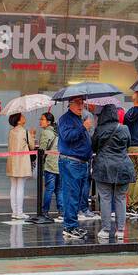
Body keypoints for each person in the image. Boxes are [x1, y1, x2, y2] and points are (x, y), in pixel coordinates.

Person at [92, 102, 134, 244]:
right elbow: (128, 145)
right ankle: (120, 230)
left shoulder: (100, 129)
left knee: (105, 198)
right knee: (120, 198)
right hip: (122, 166)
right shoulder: (124, 128)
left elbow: (94, 146)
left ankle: (105, 230)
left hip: (103, 167)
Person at [57, 97, 93, 241]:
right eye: (77, 103)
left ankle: (72, 225)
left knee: (76, 196)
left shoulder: (78, 119)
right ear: (69, 104)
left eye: (82, 103)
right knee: (71, 195)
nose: (81, 105)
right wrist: (83, 127)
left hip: (80, 162)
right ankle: (69, 226)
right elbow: (67, 136)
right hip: (71, 162)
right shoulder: (66, 119)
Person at [31, 111, 59, 224]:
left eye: (42, 119)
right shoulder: (57, 132)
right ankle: (61, 211)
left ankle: (45, 211)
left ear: (48, 122)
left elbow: (42, 150)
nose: (40, 121)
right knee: (59, 189)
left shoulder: (46, 133)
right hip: (59, 163)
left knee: (49, 189)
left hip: (50, 165)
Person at [6, 113, 31, 220]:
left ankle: (14, 212)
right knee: (20, 186)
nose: (24, 117)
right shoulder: (25, 132)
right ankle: (19, 212)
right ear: (19, 121)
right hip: (22, 162)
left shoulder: (11, 132)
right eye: (22, 116)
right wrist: (33, 136)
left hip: (12, 161)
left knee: (13, 186)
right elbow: (32, 145)